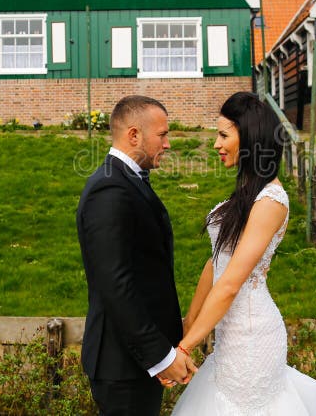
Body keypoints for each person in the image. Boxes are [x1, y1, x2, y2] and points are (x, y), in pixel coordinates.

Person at [172, 92, 316, 415]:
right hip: (229, 337)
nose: (216, 144)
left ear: (249, 137)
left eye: (223, 135)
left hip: (253, 340)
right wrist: (189, 324)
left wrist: (185, 348)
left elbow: (230, 284)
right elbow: (215, 264)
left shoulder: (271, 200)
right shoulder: (246, 194)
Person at [76, 95, 197, 416]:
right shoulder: (109, 189)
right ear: (134, 135)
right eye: (162, 135)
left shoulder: (126, 181)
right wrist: (160, 356)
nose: (168, 144)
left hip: (134, 362)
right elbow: (116, 284)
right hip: (122, 365)